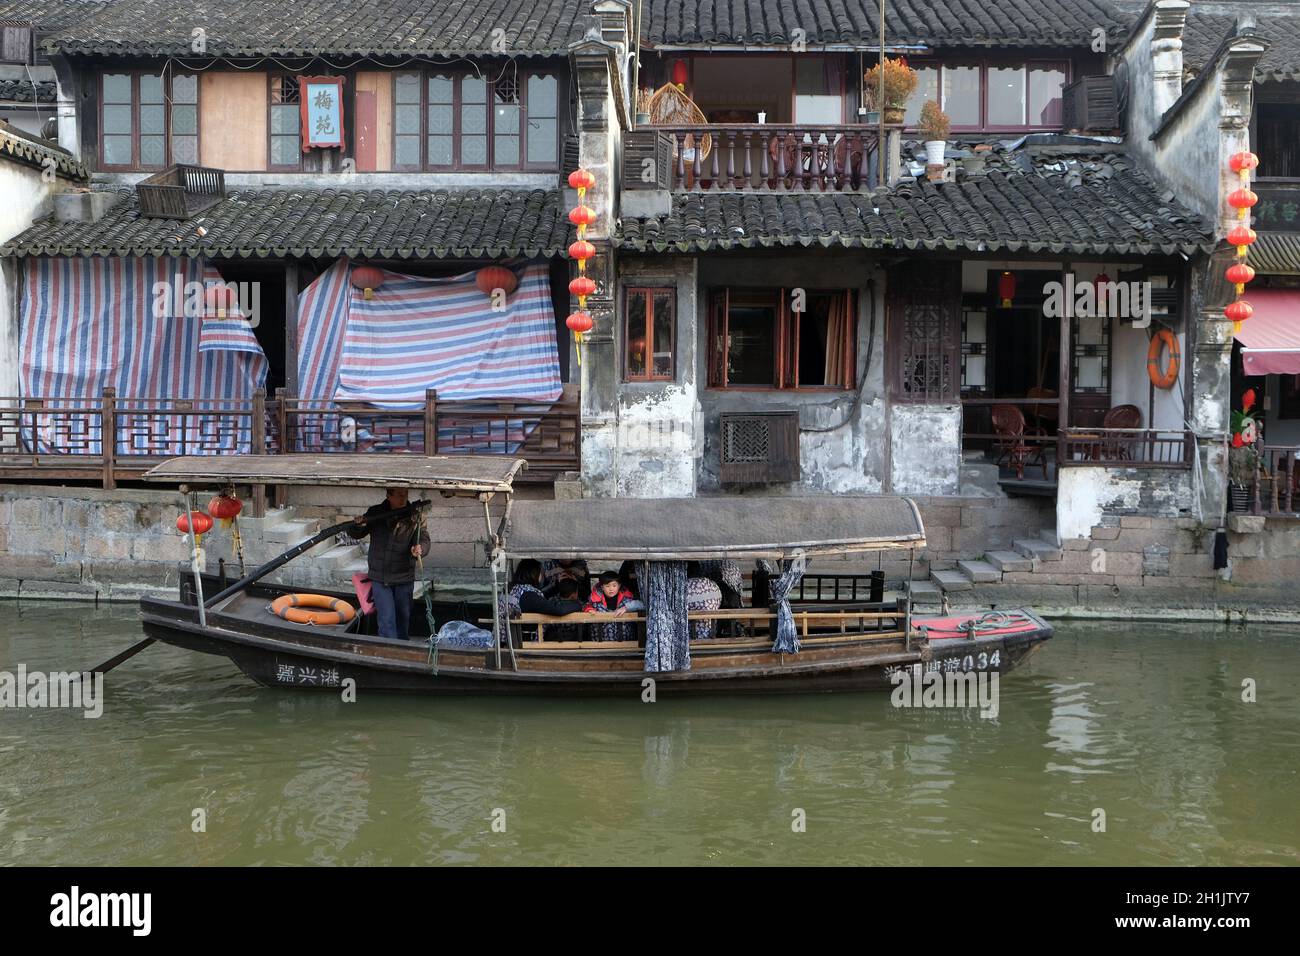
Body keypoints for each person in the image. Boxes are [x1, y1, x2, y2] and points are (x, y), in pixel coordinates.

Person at [348, 487, 431, 640]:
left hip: (403, 576)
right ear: (388, 495)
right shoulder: (376, 512)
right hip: (380, 576)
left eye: (405, 495)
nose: (403, 499)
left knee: (402, 618)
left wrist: (420, 548)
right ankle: (388, 652)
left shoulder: (414, 515)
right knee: (386, 621)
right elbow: (357, 533)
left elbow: (423, 538)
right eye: (399, 495)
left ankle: (402, 649)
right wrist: (357, 525)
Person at [583, 570, 640, 641]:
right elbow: (586, 606)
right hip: (600, 643)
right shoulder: (595, 599)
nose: (611, 589)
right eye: (607, 586)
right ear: (602, 587)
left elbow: (641, 604)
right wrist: (589, 609)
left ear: (619, 586)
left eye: (614, 585)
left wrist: (627, 607)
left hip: (624, 643)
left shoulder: (627, 598)